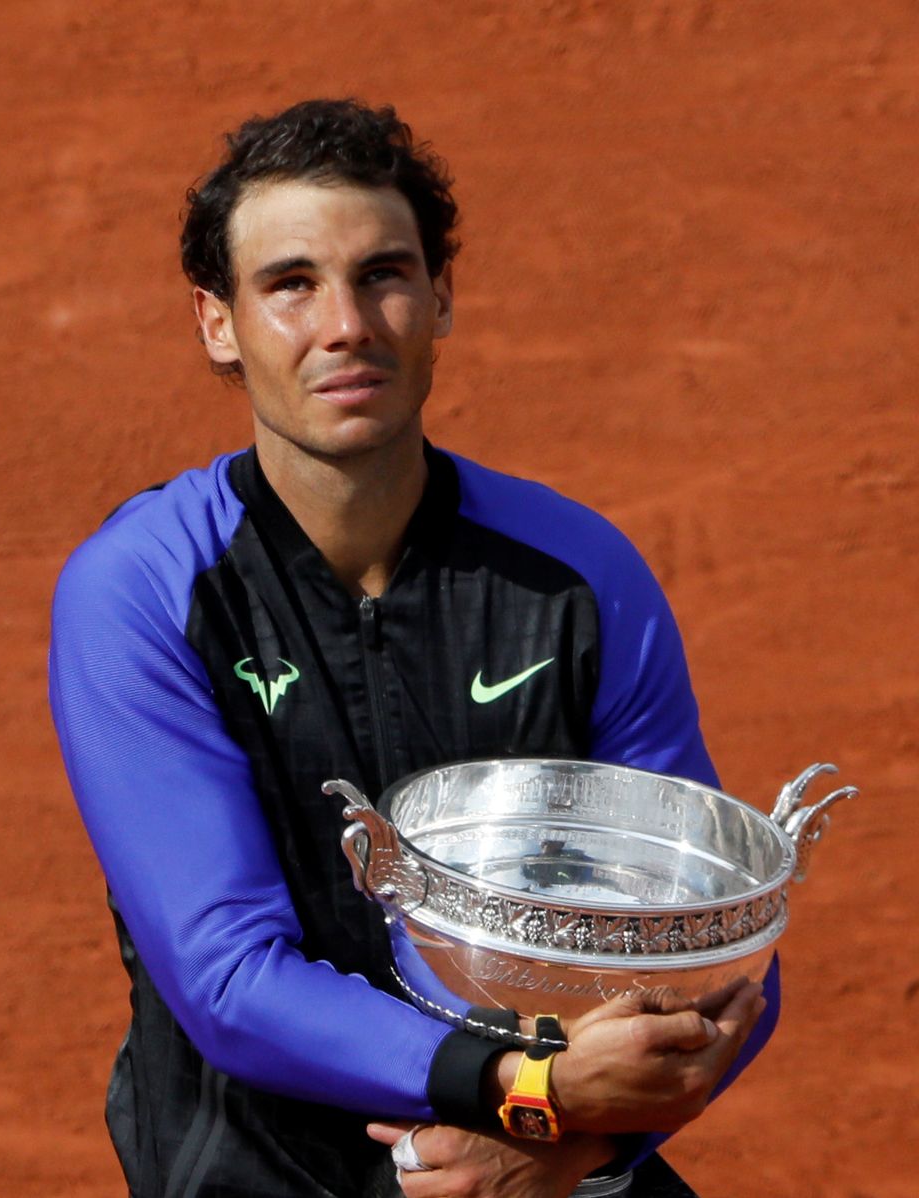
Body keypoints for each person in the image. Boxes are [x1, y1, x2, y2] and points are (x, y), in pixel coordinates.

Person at [49, 98, 777, 1198]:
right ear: (216, 322)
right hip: (264, 1175)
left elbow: (717, 950)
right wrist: (529, 1090)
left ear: (440, 297)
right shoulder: (145, 592)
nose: (346, 324)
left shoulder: (578, 576)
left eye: (383, 273)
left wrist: (573, 1150)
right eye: (290, 284)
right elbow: (228, 976)